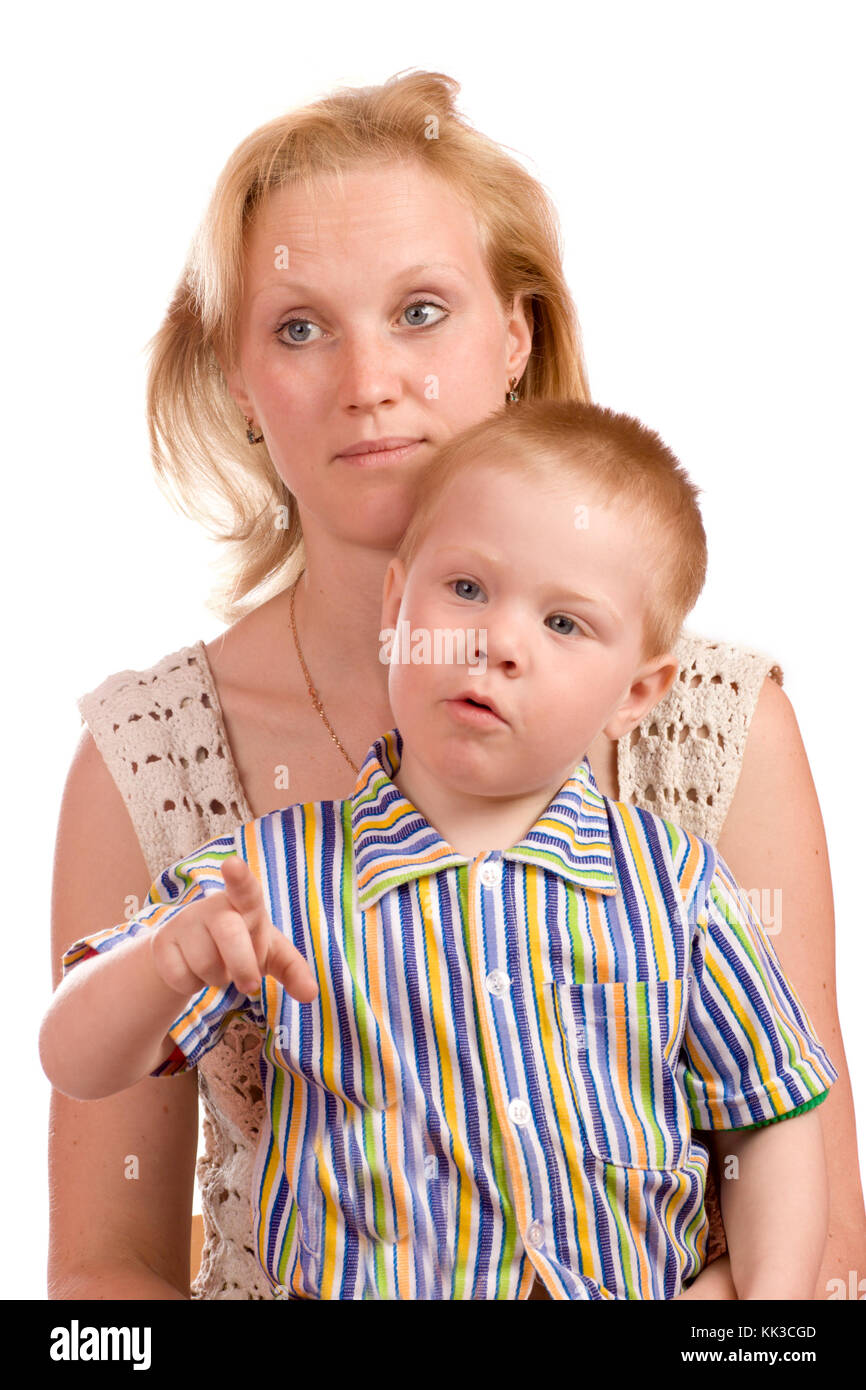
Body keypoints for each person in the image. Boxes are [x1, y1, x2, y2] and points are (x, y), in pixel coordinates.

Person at [48, 70, 865, 1302]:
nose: (369, 379)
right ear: (236, 377)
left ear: (516, 334)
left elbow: (813, 1230)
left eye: (420, 310)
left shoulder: (714, 726)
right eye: (299, 326)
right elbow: (106, 1271)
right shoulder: (152, 759)